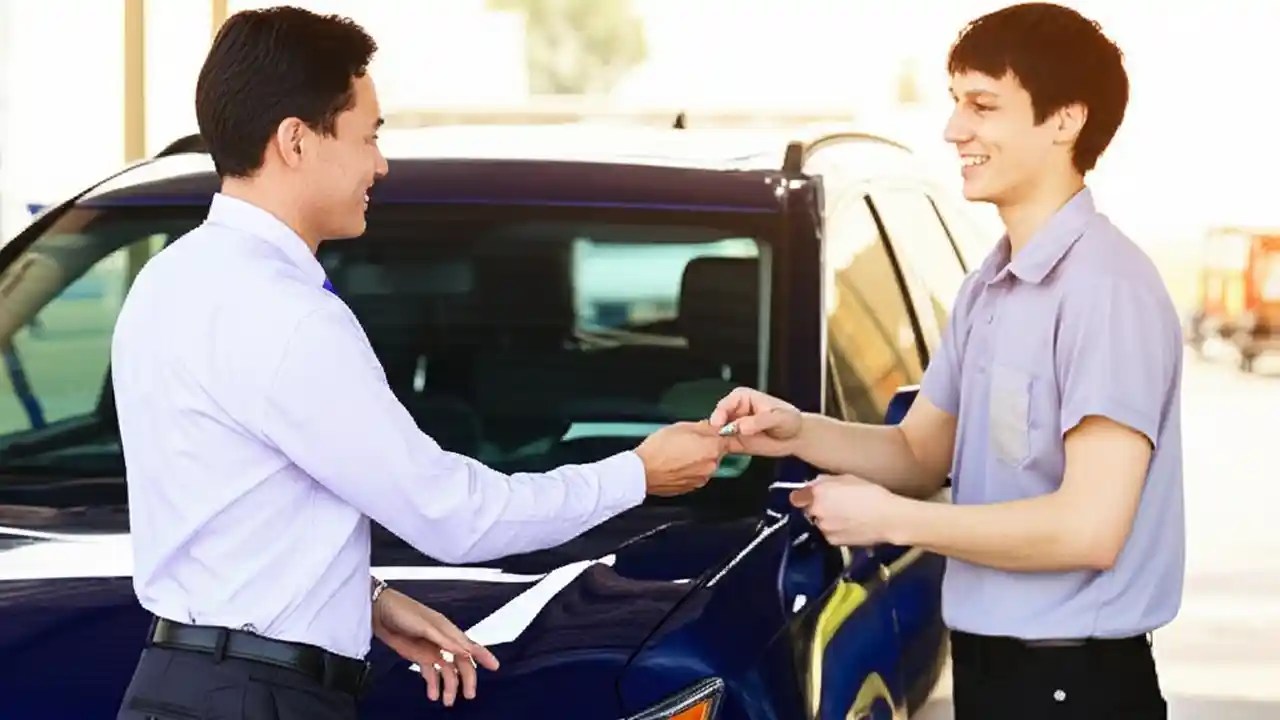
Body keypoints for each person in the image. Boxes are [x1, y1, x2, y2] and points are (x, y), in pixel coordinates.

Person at [111, 7, 726, 720]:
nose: (381, 162)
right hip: (263, 701)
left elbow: (229, 505)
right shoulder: (289, 316)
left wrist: (362, 597)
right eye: (368, 136)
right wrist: (639, 473)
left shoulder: (168, 280)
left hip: (173, 684)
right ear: (295, 142)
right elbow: (454, 517)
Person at [710, 3, 1182, 718]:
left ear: (1065, 121)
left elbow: (1090, 527)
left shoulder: (1106, 289)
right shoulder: (989, 287)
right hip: (996, 674)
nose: (954, 129)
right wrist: (797, 429)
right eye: (957, 101)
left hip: (1073, 686)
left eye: (983, 105)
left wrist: (893, 520)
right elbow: (917, 452)